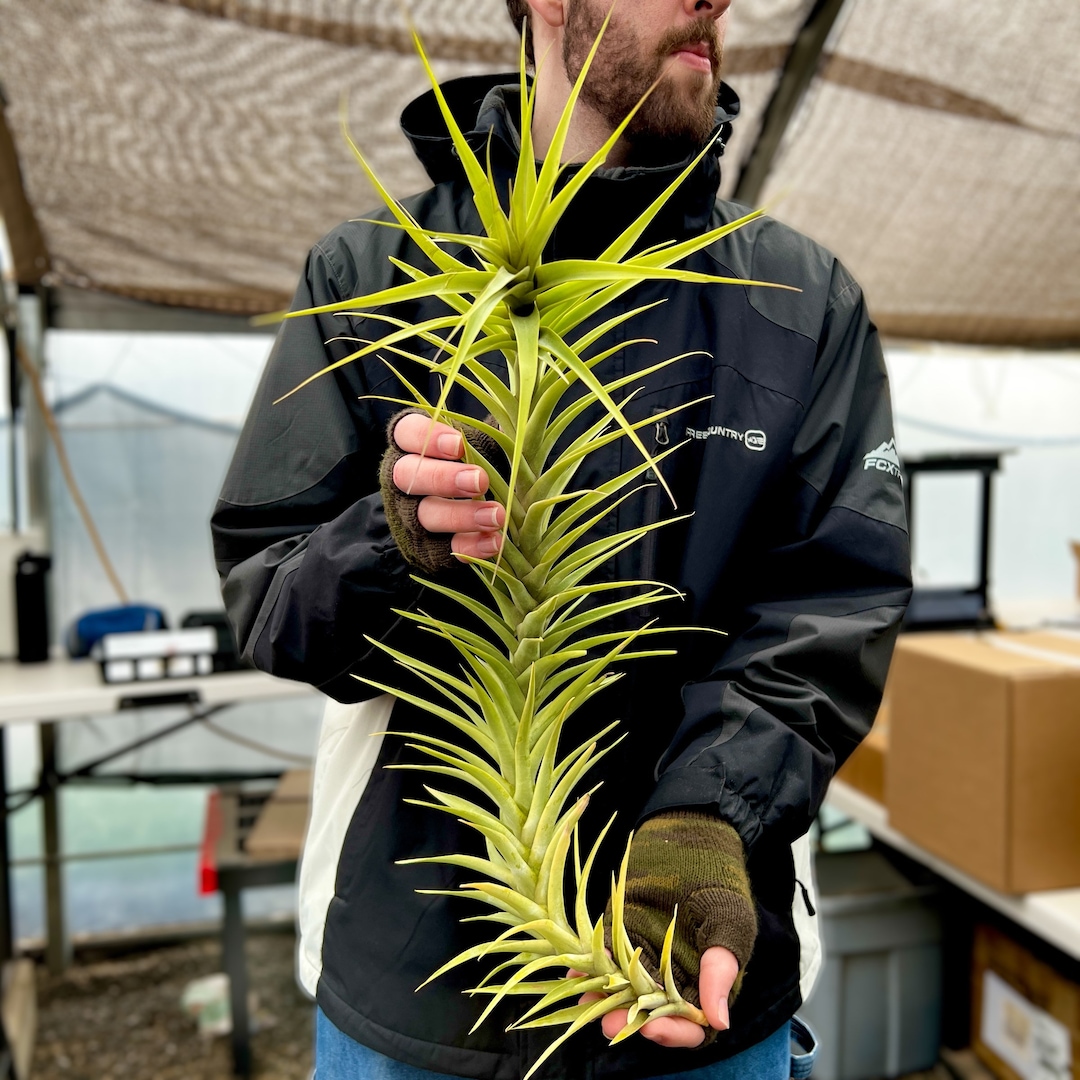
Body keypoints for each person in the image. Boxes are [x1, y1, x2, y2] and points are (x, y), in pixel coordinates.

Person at [212, 0, 911, 1076]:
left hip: (696, 978)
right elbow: (268, 602)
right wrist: (389, 541)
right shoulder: (372, 274)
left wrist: (707, 817)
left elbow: (834, 604)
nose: (716, 1)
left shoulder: (798, 299)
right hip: (421, 1002)